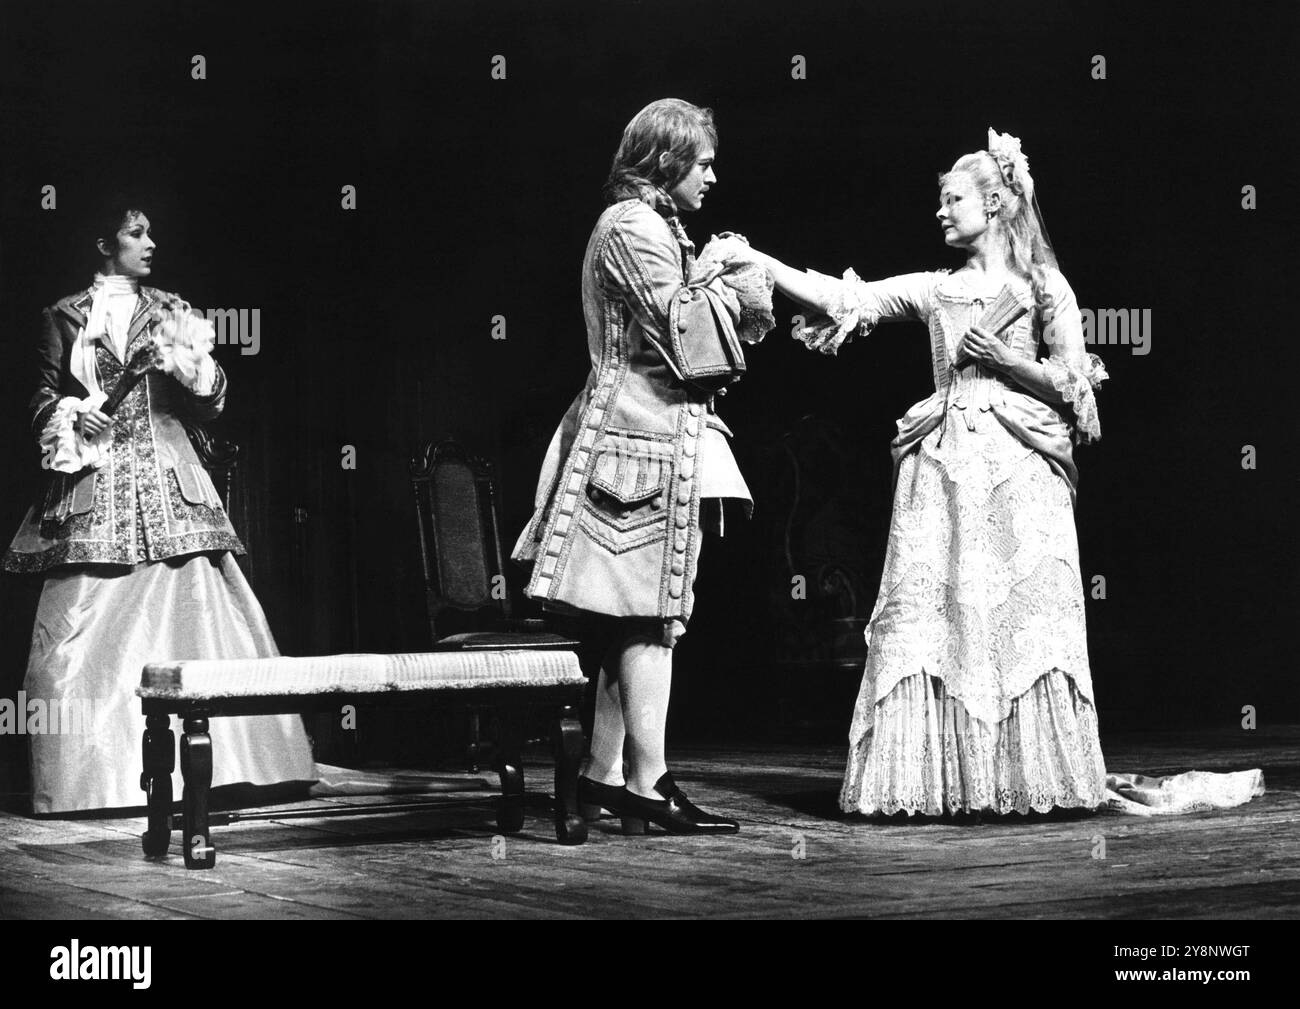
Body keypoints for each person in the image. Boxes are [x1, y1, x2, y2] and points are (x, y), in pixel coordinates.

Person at [750, 131, 1112, 815]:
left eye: (953, 200)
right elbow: (842, 298)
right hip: (943, 465)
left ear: (997, 202)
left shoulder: (1043, 287)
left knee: (1019, 617)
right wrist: (758, 260)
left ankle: (1030, 775)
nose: (941, 212)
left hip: (1019, 466)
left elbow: (1075, 384)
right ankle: (941, 778)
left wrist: (1008, 363)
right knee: (937, 616)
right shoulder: (936, 291)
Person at [3, 200, 316, 814]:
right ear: (103, 243)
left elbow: (213, 404)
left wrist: (195, 367)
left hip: (172, 483)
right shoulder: (64, 316)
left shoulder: (174, 312)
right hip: (95, 481)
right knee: (71, 635)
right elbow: (38, 395)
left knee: (201, 614)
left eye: (150, 232)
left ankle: (234, 768)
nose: (150, 242)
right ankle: (92, 780)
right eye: (135, 232)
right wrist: (71, 412)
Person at [512, 99, 772, 834]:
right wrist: (731, 278)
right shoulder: (633, 226)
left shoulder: (651, 227)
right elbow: (694, 344)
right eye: (704, 162)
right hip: (635, 446)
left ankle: (605, 772)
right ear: (666, 162)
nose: (714, 175)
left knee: (642, 618)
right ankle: (648, 784)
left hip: (652, 439)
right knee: (651, 621)